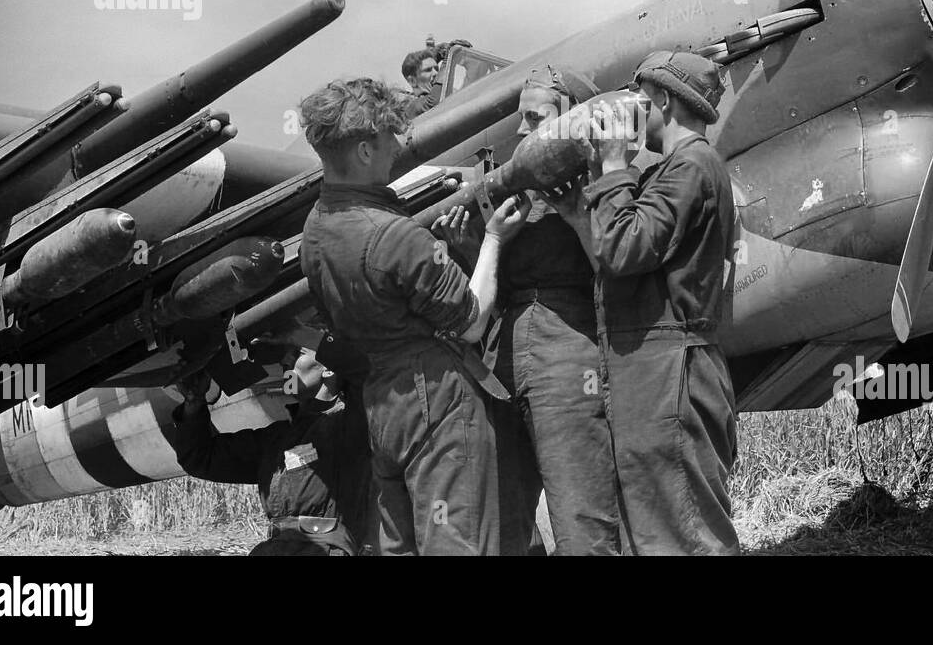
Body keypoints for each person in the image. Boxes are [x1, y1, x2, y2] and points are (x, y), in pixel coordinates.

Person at [297, 77, 528, 555]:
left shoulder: (314, 230)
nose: (397, 146)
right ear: (363, 151)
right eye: (388, 138)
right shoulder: (396, 236)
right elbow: (471, 321)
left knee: (398, 541)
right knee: (457, 539)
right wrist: (493, 241)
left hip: (383, 398)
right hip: (437, 393)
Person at [555, 50, 739, 555]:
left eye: (640, 98)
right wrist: (579, 215)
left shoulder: (690, 167)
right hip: (654, 371)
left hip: (669, 373)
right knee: (659, 529)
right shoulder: (677, 170)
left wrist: (614, 167)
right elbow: (628, 269)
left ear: (662, 98)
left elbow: (625, 248)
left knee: (685, 534)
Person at [434, 65, 620, 556]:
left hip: (569, 358)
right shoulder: (503, 187)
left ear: (569, 119)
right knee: (501, 522)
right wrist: (471, 245)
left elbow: (622, 266)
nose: (520, 130)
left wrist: (579, 217)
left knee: (582, 521)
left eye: (534, 119)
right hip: (500, 363)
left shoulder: (609, 182)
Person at [169, 346, 370, 556]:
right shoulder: (277, 438)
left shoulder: (354, 424)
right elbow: (201, 458)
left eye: (298, 353)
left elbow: (363, 367)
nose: (286, 360)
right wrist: (195, 402)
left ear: (329, 368)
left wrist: (309, 334)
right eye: (286, 352)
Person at [401, 49, 439, 119]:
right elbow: (434, 101)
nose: (436, 73)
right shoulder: (412, 109)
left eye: (437, 69)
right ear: (412, 81)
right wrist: (446, 61)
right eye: (428, 70)